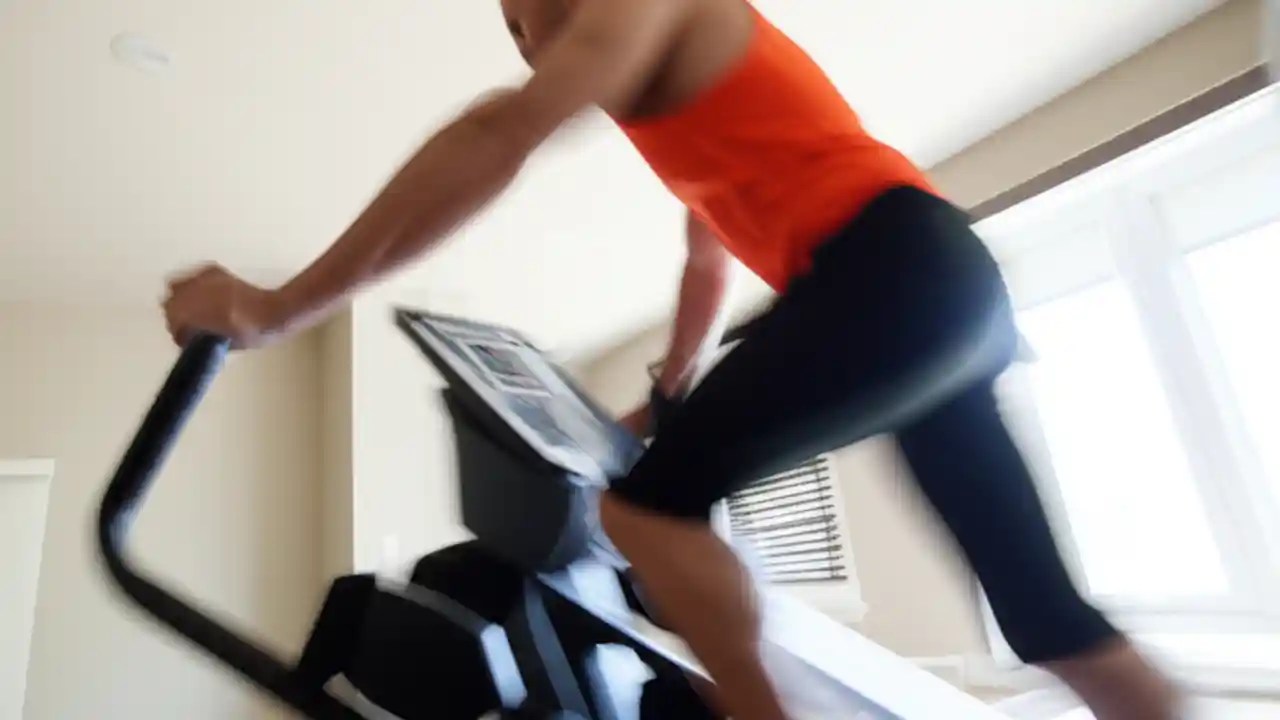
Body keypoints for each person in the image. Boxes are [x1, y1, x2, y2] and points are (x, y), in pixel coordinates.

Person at [161, 1, 1181, 718]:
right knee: (1044, 618)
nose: (528, 45)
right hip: (934, 282)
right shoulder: (687, 116)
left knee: (643, 512)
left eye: (528, 18)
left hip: (892, 264)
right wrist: (668, 391)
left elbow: (501, 132)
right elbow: (704, 249)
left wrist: (276, 308)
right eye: (513, 35)